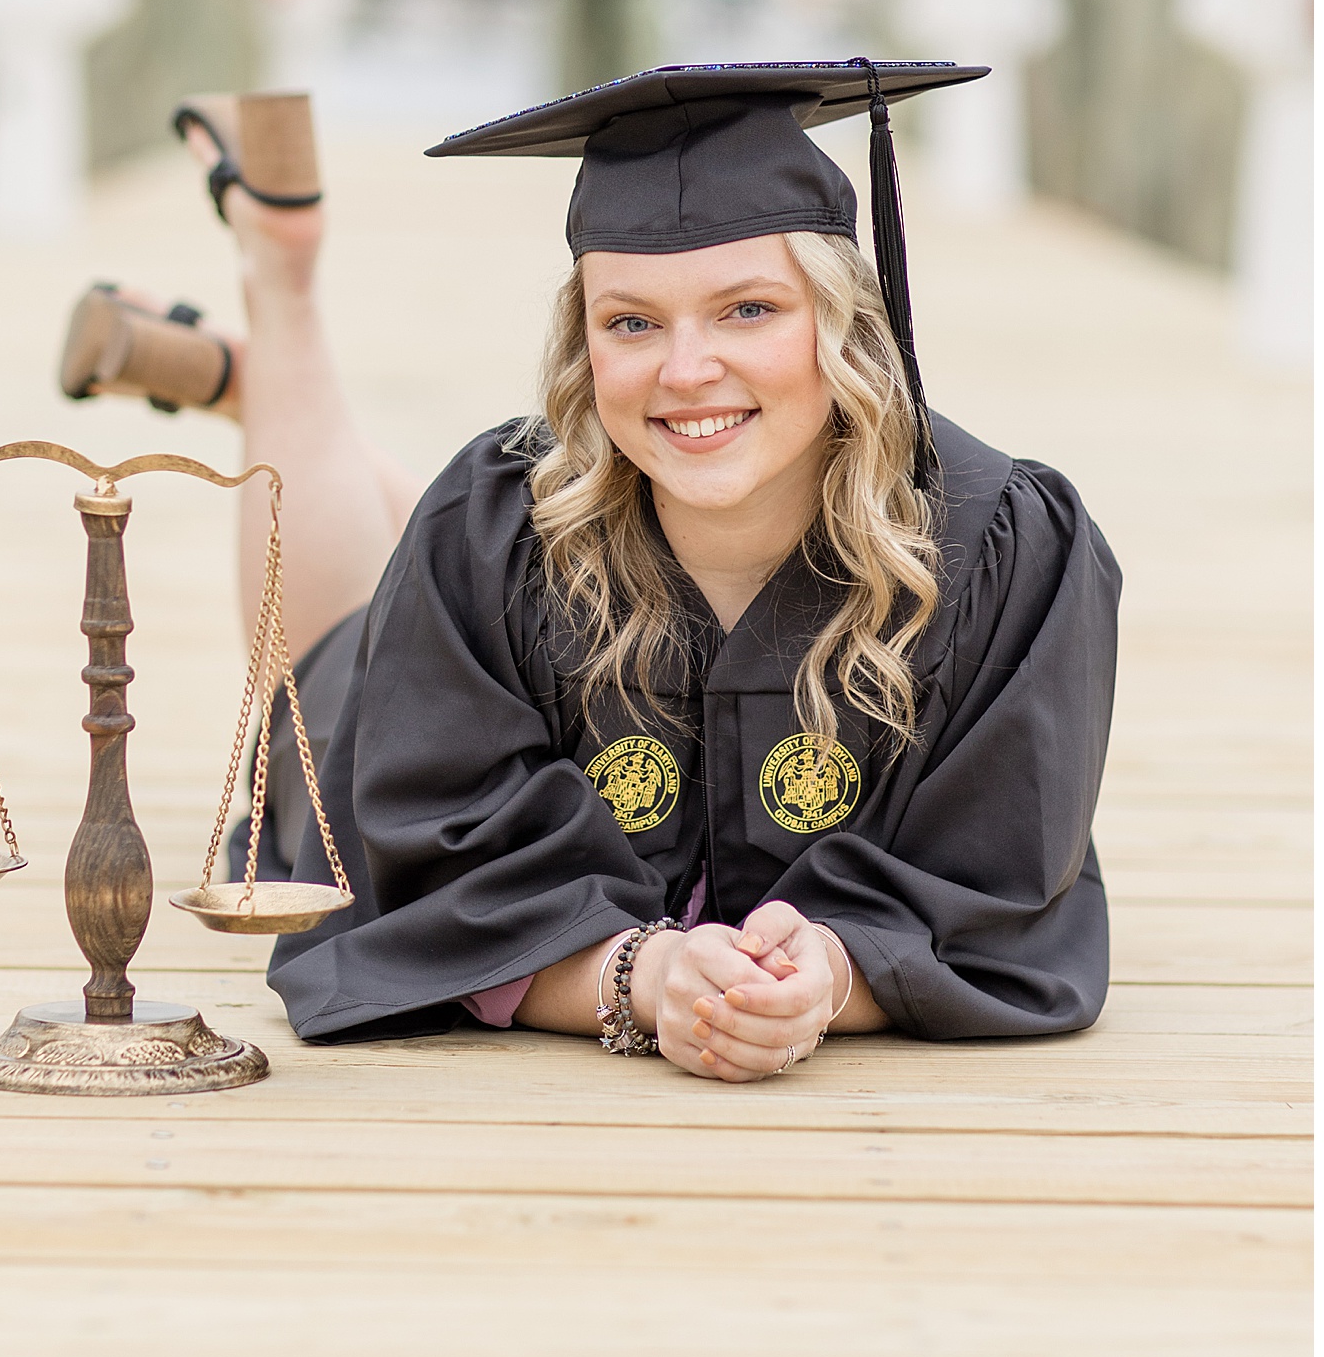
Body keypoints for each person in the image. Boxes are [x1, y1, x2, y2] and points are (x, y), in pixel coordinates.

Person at [87, 64, 1121, 1082]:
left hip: (587, 502)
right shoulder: (485, 530)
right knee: (320, 677)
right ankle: (282, 283)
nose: (684, 367)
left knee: (562, 491)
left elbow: (999, 878)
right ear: (583, 345)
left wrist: (837, 973)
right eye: (631, 320)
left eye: (748, 309)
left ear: (842, 323)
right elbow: (414, 876)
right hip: (483, 584)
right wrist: (641, 973)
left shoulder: (997, 544)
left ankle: (252, 384)